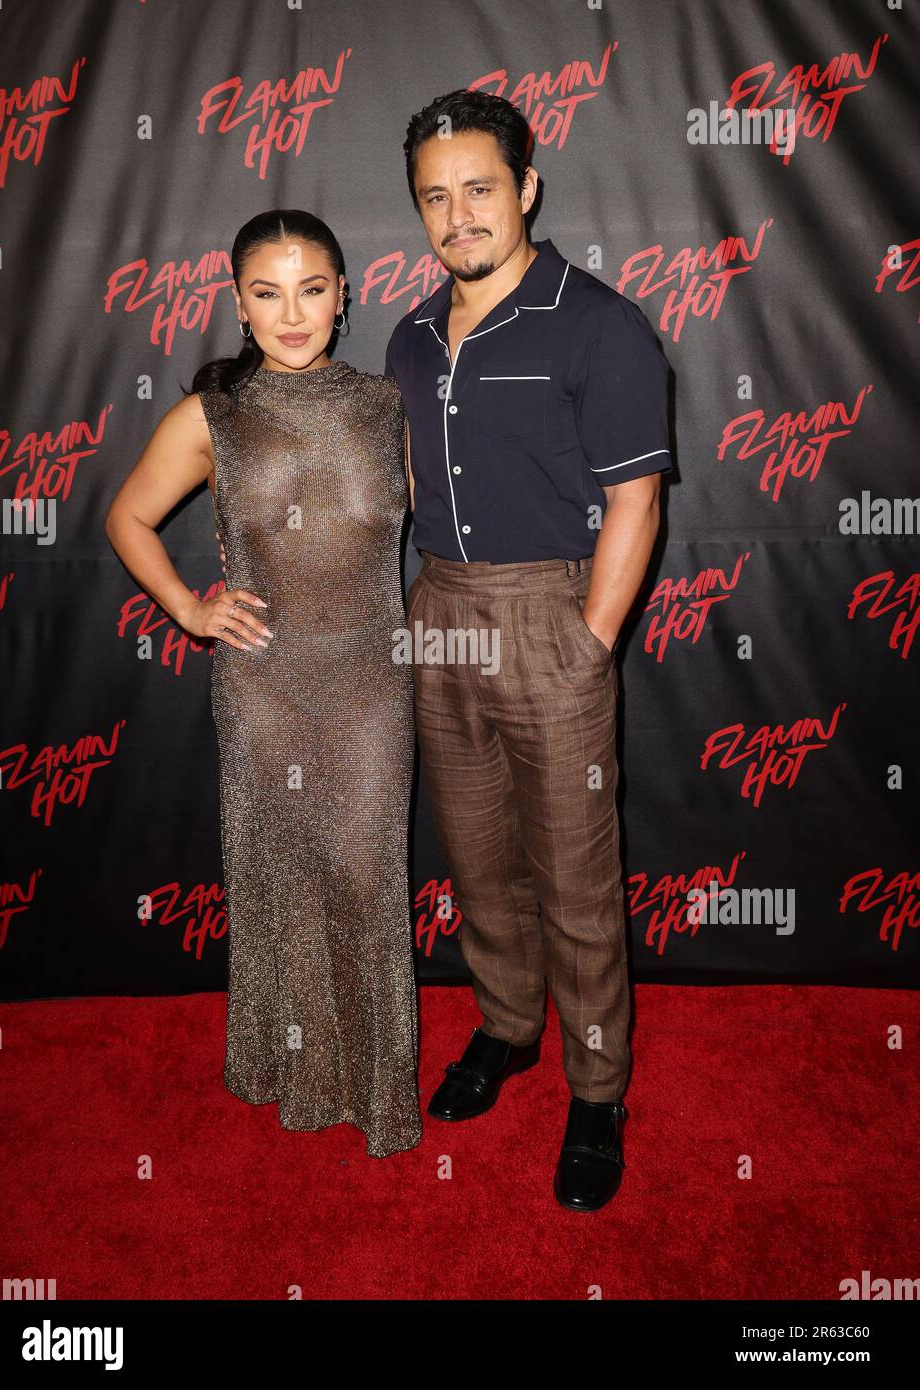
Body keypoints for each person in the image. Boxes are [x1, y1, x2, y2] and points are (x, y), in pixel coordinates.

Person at [384, 91, 672, 1210]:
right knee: (477, 858)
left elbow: (636, 500)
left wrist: (587, 643)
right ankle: (507, 1027)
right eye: (436, 197)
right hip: (440, 609)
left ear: (528, 190)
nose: (459, 216)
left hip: (553, 610)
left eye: (480, 190)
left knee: (578, 876)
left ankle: (598, 1087)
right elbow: (409, 489)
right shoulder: (410, 336)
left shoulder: (598, 321)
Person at [104, 210, 422, 1159]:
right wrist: (190, 609)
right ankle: (286, 1068)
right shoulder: (214, 417)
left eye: (313, 289)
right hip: (265, 686)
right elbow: (128, 517)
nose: (293, 313)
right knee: (278, 877)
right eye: (269, 292)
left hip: (372, 681)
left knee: (367, 875)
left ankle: (375, 1090)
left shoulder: (386, 404)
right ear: (238, 301)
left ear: (343, 296)